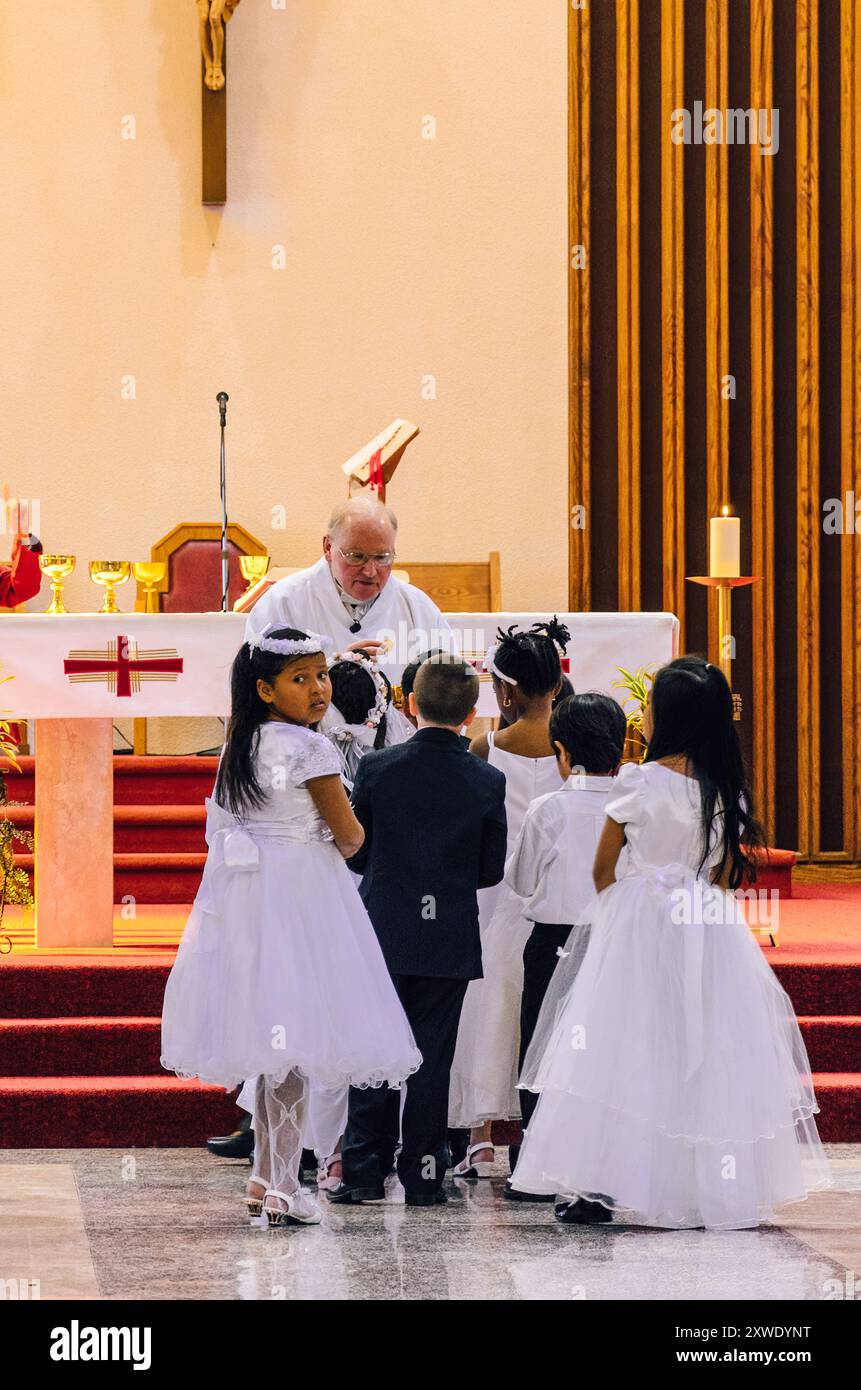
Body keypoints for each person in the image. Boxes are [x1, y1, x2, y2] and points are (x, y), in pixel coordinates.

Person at [511, 656, 832, 1229]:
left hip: (640, 923)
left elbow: (603, 869)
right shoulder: (725, 792)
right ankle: (706, 1186)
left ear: (665, 716)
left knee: (619, 1046)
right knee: (701, 1048)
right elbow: (731, 875)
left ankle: (597, 1184)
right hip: (706, 925)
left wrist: (628, 911)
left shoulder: (637, 779)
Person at [161, 624, 421, 1227]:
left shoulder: (239, 744)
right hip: (305, 896)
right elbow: (352, 837)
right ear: (266, 688)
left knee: (269, 1027)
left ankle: (262, 1175)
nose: (318, 689)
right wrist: (343, 829)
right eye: (300, 679)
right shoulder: (311, 749)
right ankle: (283, 1184)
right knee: (296, 1040)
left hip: (250, 898)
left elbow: (223, 827)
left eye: (322, 675)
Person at [327, 657, 508, 1206]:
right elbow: (490, 870)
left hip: (383, 927)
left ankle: (361, 1173)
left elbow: (357, 851)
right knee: (432, 1059)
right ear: (473, 713)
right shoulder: (487, 777)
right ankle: (425, 1176)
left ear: (409, 703)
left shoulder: (379, 768)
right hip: (448, 934)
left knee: (374, 1050)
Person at [448, 620, 569, 1176]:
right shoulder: (576, 746)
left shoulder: (486, 746)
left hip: (496, 893)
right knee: (549, 1009)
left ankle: (479, 1136)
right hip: (560, 896)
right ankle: (543, 1133)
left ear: (504, 691)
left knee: (489, 1003)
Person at [502, 692, 627, 1201]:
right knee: (608, 1048)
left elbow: (521, 878)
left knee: (542, 1047)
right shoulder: (633, 804)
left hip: (554, 941)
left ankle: (539, 1165)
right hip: (617, 939)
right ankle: (606, 1162)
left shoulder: (549, 808)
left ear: (561, 751)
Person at [244, 495, 455, 665]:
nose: (370, 571)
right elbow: (259, 687)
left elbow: (447, 689)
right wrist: (334, 671)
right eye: (357, 556)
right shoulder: (283, 603)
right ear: (328, 547)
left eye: (382, 557)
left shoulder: (418, 609)